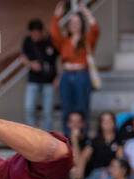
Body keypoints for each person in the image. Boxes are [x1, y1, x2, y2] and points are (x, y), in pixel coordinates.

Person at [50, 2, 99, 134]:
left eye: (77, 22)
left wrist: (85, 12)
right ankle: (68, 139)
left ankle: (82, 138)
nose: (74, 24)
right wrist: (57, 15)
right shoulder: (65, 41)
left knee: (82, 108)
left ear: (82, 24)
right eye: (72, 22)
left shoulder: (86, 40)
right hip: (66, 76)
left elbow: (95, 29)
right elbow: (54, 33)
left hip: (81, 76)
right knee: (66, 108)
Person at [22, 19, 58, 130]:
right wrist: (31, 64)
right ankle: (32, 132)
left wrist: (57, 77)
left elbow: (57, 60)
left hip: (49, 80)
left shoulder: (50, 41)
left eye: (37, 33)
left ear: (42, 32)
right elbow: (22, 58)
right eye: (33, 33)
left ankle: (48, 135)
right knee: (29, 108)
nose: (35, 36)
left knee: (47, 111)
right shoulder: (27, 41)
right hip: (33, 80)